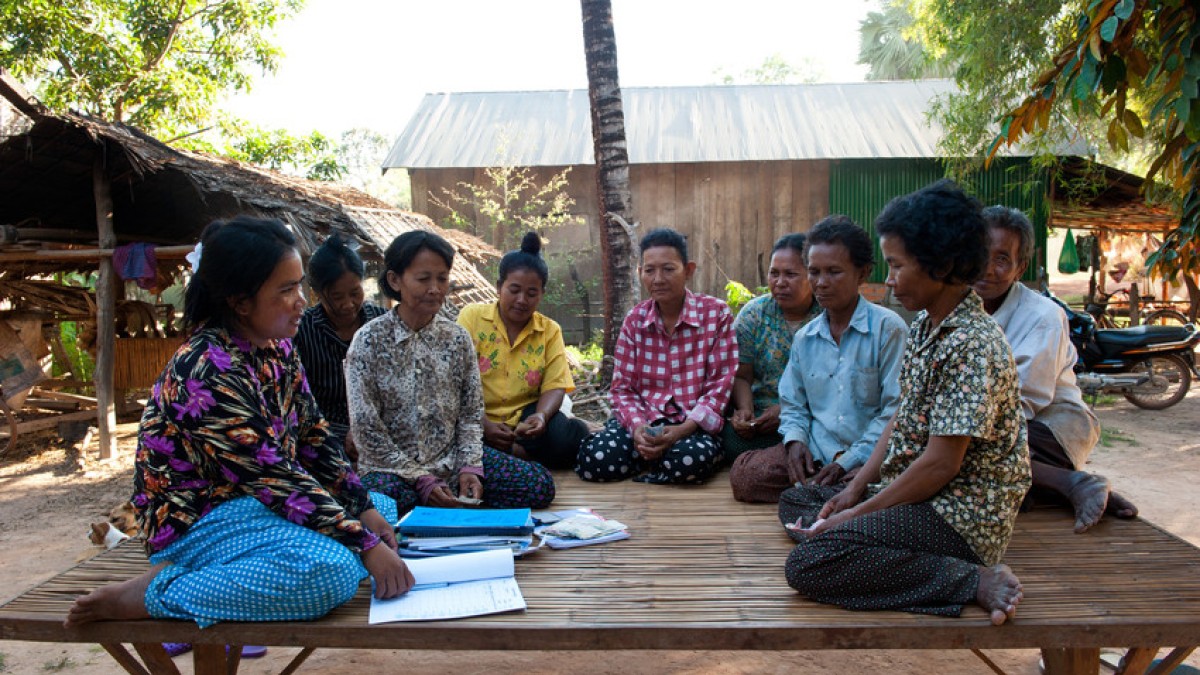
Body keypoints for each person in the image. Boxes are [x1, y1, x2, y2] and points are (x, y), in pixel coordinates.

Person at [66, 217, 412, 629]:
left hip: (254, 504)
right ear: (240, 301)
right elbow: (273, 475)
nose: (301, 300)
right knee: (330, 573)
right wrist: (363, 543)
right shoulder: (205, 371)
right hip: (201, 520)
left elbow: (313, 438)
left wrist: (364, 510)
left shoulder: (278, 348)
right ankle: (157, 591)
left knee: (385, 510)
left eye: (300, 285)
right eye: (286, 290)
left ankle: (256, 565)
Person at [779, 180, 1030, 625]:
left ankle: (970, 579)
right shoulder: (926, 327)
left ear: (943, 265)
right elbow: (900, 415)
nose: (889, 280)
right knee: (799, 503)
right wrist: (853, 490)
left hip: (956, 514)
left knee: (809, 563)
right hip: (916, 496)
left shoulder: (972, 343)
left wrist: (856, 512)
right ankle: (857, 539)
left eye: (897, 266)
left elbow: (940, 466)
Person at [346, 230, 556, 515]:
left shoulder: (457, 338)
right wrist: (421, 480)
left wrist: (470, 466)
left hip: (451, 462)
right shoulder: (368, 341)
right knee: (383, 501)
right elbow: (366, 430)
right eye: (424, 279)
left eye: (442, 278)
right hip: (393, 471)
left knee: (539, 485)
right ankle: (442, 504)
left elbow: (470, 415)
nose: (435, 288)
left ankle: (450, 500)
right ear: (395, 280)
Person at [974, 206, 1138, 533]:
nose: (988, 268)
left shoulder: (1042, 315)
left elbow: (1025, 400)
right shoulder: (961, 310)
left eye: (1002, 259)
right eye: (980, 254)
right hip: (997, 426)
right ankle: (1064, 486)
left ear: (1020, 268)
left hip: (1053, 422)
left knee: (960, 452)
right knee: (954, 454)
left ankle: (1068, 483)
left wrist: (963, 434)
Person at [730, 216, 906, 502]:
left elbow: (894, 413)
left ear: (863, 273)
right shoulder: (806, 337)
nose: (821, 283)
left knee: (884, 481)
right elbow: (794, 404)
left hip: (867, 454)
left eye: (834, 272)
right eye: (814, 272)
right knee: (746, 476)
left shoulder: (889, 330)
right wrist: (796, 441)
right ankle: (826, 493)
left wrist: (849, 461)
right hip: (817, 450)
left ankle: (832, 493)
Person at [576, 227, 738, 484]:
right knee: (595, 459)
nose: (658, 279)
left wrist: (681, 431)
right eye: (649, 270)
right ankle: (651, 456)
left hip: (691, 426)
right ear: (641, 273)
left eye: (668, 269)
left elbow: (720, 388)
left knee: (689, 461)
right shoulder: (635, 320)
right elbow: (622, 389)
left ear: (689, 270)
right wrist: (639, 428)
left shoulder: (716, 315)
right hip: (644, 419)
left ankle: (652, 461)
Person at [457, 232, 590, 470]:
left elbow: (555, 385)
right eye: (514, 290)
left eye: (531, 293)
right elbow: (454, 379)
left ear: (541, 294)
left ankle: (505, 452)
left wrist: (540, 417)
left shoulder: (549, 330)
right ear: (499, 287)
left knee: (567, 437)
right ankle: (515, 454)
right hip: (475, 417)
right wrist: (483, 424)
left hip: (523, 424)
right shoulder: (472, 317)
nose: (521, 300)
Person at [722, 233, 821, 463]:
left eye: (791, 274)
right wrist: (745, 411)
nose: (779, 282)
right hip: (762, 420)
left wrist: (786, 411)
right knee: (730, 441)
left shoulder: (826, 317)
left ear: (812, 276)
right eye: (774, 273)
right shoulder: (753, 314)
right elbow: (742, 376)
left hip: (811, 415)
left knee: (818, 437)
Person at [294, 234, 387, 457]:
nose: (348, 304)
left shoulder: (382, 323)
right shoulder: (302, 331)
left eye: (355, 293)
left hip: (384, 432)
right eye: (336, 297)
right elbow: (298, 403)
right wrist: (343, 432)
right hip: (324, 436)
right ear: (317, 294)